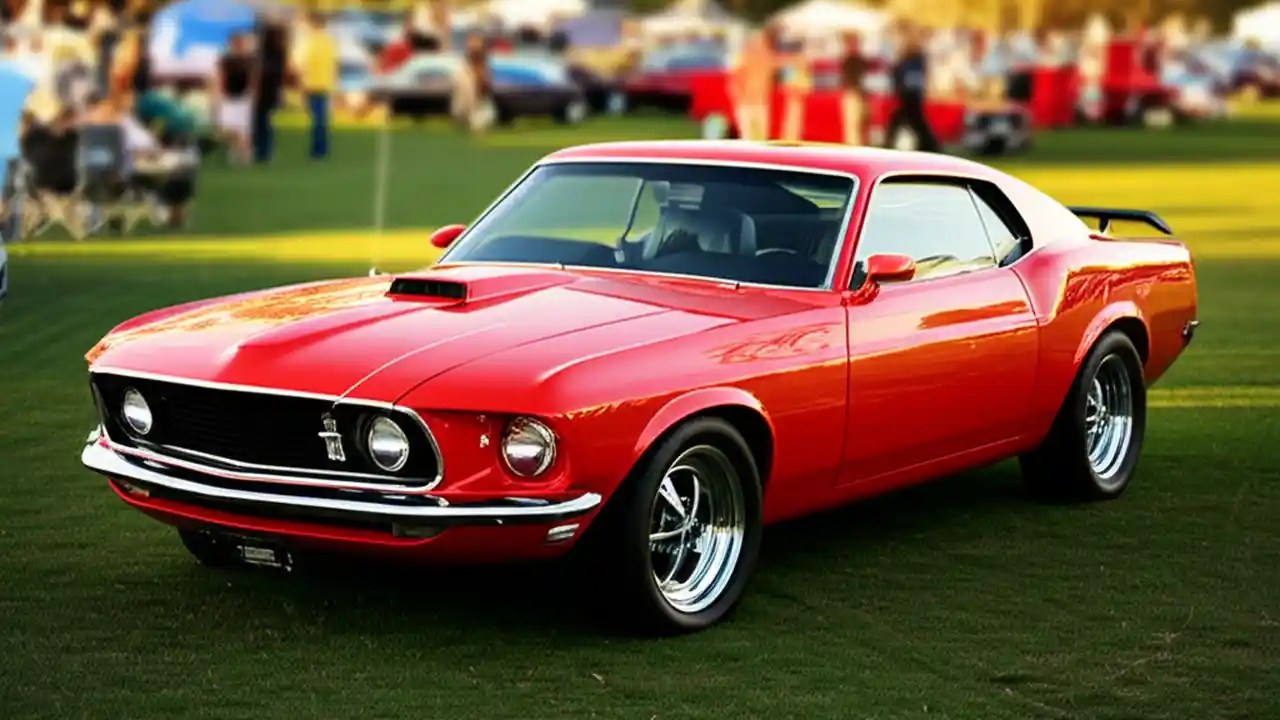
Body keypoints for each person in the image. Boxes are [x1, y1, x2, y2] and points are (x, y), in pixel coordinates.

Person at [888, 26, 938, 152]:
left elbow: (900, 76)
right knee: (913, 122)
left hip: (910, 95)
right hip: (910, 94)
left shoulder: (913, 59)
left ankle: (929, 145)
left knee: (909, 121)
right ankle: (929, 145)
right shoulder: (914, 59)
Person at [213, 31, 256, 165]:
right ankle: (237, 149)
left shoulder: (249, 59)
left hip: (243, 96)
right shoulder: (225, 59)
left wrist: (252, 92)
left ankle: (244, 153)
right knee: (228, 127)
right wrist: (219, 93)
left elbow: (252, 78)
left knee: (244, 127)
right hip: (228, 95)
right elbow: (220, 77)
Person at [299, 11, 336, 160]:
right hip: (325, 84)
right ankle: (322, 148)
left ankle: (318, 150)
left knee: (317, 119)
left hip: (312, 84)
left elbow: (303, 65)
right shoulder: (329, 41)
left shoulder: (310, 41)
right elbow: (334, 63)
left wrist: (302, 84)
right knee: (321, 119)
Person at [729, 31, 777, 142]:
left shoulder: (766, 59)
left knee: (760, 135)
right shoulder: (743, 59)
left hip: (759, 103)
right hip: (747, 103)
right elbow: (735, 80)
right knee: (748, 135)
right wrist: (737, 96)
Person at [253, 22, 285, 164]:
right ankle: (263, 151)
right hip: (270, 91)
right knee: (263, 122)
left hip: (264, 92)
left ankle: (262, 151)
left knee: (260, 121)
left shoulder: (264, 55)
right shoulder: (278, 53)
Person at [839, 31, 867, 145]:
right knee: (852, 124)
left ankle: (854, 144)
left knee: (854, 123)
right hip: (853, 94)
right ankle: (853, 144)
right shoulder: (850, 59)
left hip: (855, 94)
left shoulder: (854, 60)